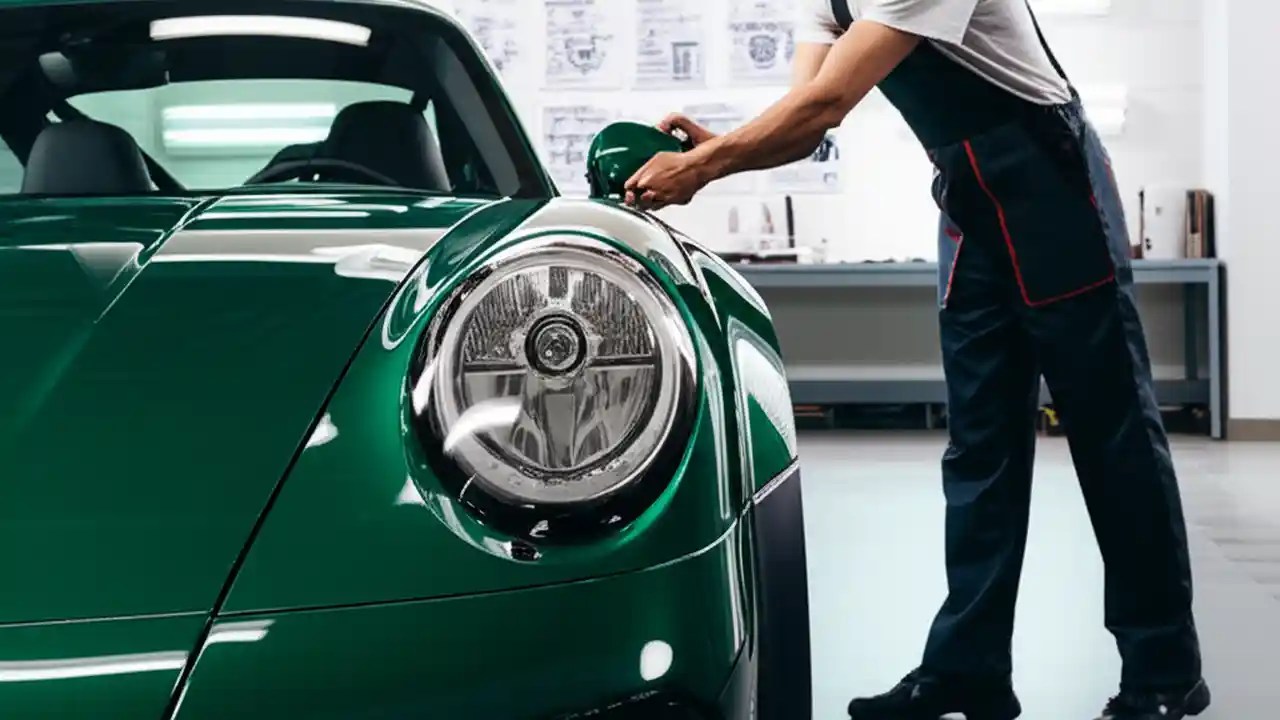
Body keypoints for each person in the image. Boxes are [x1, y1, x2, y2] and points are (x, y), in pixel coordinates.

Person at [623, 1, 1209, 719]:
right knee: (979, 447)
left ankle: (1164, 671)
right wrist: (717, 148)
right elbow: (809, 117)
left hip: (1050, 187)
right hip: (971, 203)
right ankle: (968, 668)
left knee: (1113, 437)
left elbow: (829, 101)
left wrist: (702, 167)